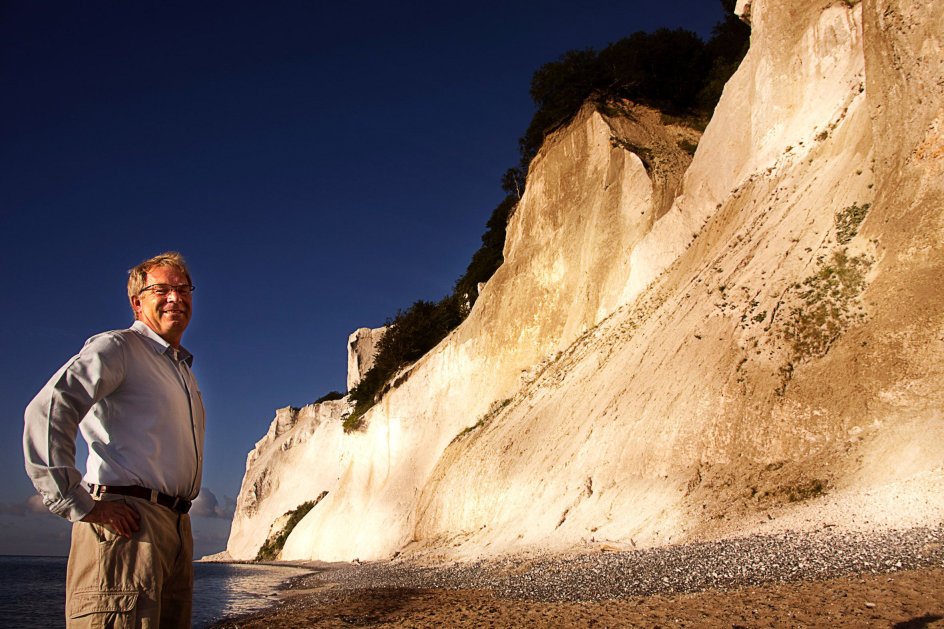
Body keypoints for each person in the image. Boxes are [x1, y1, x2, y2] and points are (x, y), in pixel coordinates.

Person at [24, 252, 206, 628]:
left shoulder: (181, 370)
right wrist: (78, 503)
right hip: (127, 525)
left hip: (174, 529)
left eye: (183, 288)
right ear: (137, 302)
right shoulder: (120, 347)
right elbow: (50, 409)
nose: (176, 297)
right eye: (162, 289)